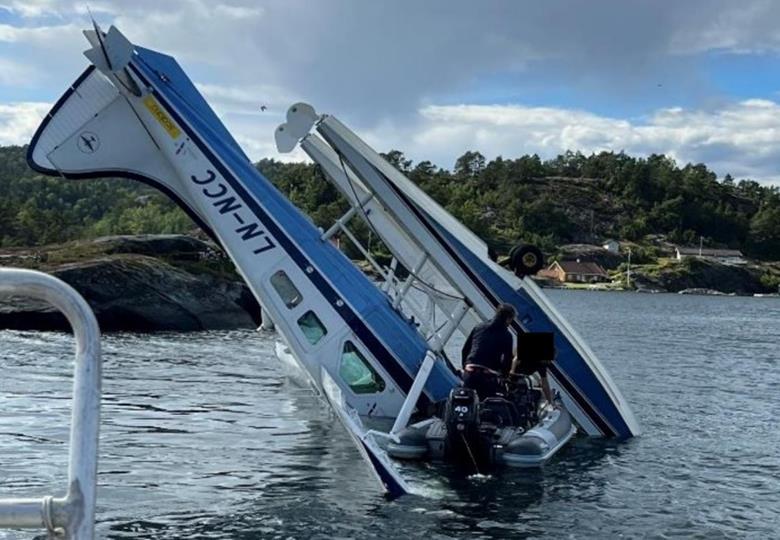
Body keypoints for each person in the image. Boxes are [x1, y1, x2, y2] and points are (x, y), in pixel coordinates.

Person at [460, 303, 516, 399]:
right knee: (488, 403)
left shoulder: (479, 327)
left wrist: (465, 366)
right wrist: (504, 376)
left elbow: (465, 349)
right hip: (487, 375)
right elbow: (508, 359)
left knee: (466, 399)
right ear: (508, 319)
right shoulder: (506, 335)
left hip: (470, 371)